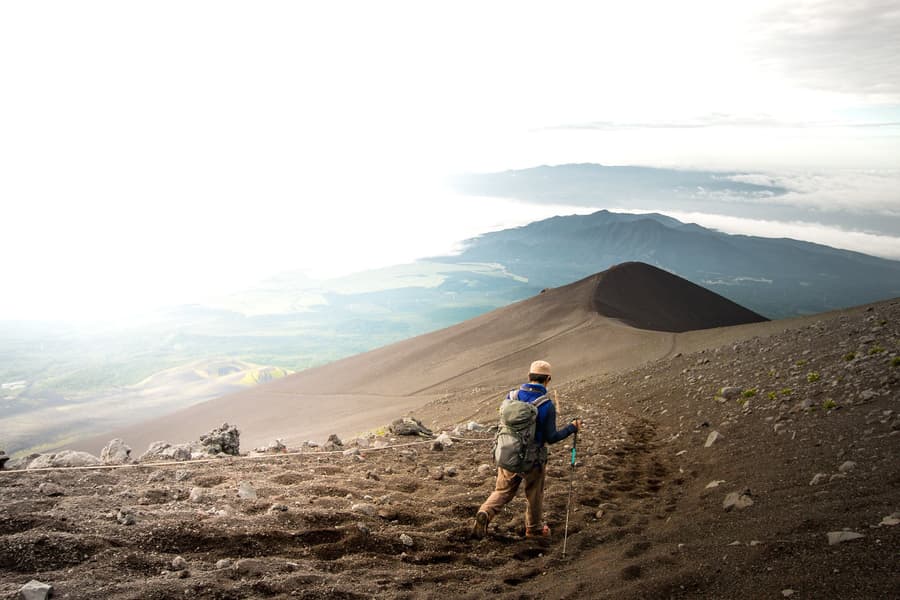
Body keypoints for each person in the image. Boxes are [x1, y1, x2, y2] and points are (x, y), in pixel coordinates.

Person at [472, 359, 582, 539]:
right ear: (548, 379)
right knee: (534, 495)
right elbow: (551, 438)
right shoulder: (546, 405)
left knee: (502, 491)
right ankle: (534, 529)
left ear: (529, 376)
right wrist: (572, 428)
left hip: (508, 453)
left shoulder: (511, 396)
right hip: (533, 459)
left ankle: (485, 511)